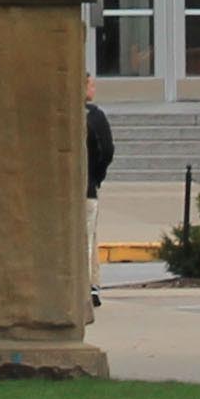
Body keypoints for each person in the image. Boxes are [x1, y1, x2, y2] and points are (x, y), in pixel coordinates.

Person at [85, 74, 116, 308]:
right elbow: (106, 150)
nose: (94, 88)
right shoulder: (94, 117)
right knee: (86, 239)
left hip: (86, 185)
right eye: (91, 84)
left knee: (90, 237)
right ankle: (86, 287)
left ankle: (93, 285)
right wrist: (96, 176)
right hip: (87, 188)